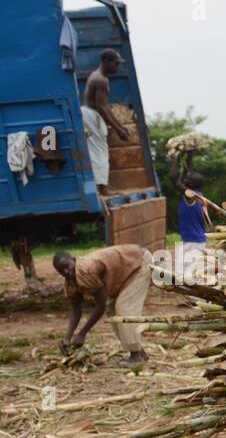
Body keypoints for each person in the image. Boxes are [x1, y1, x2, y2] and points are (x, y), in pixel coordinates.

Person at [52, 244, 151, 366]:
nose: (66, 271)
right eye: (61, 271)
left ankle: (136, 356)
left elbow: (101, 305)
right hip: (124, 273)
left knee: (124, 309)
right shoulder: (70, 283)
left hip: (139, 263)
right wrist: (67, 338)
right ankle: (139, 352)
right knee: (112, 311)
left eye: (67, 266)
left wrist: (82, 333)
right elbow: (76, 311)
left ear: (73, 260)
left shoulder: (86, 270)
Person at [82, 49, 132, 216]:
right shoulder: (100, 79)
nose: (118, 66)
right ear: (108, 61)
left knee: (99, 151)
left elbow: (104, 106)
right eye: (116, 63)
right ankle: (101, 191)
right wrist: (119, 130)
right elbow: (101, 107)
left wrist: (119, 126)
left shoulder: (99, 77)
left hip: (92, 115)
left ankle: (103, 188)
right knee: (99, 152)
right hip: (91, 115)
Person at [170, 152, 210, 275]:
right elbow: (183, 176)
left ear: (191, 185)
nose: (184, 180)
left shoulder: (190, 196)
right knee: (187, 274)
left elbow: (173, 178)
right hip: (195, 241)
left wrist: (176, 157)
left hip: (193, 243)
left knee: (186, 276)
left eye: (187, 180)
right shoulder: (196, 194)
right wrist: (189, 155)